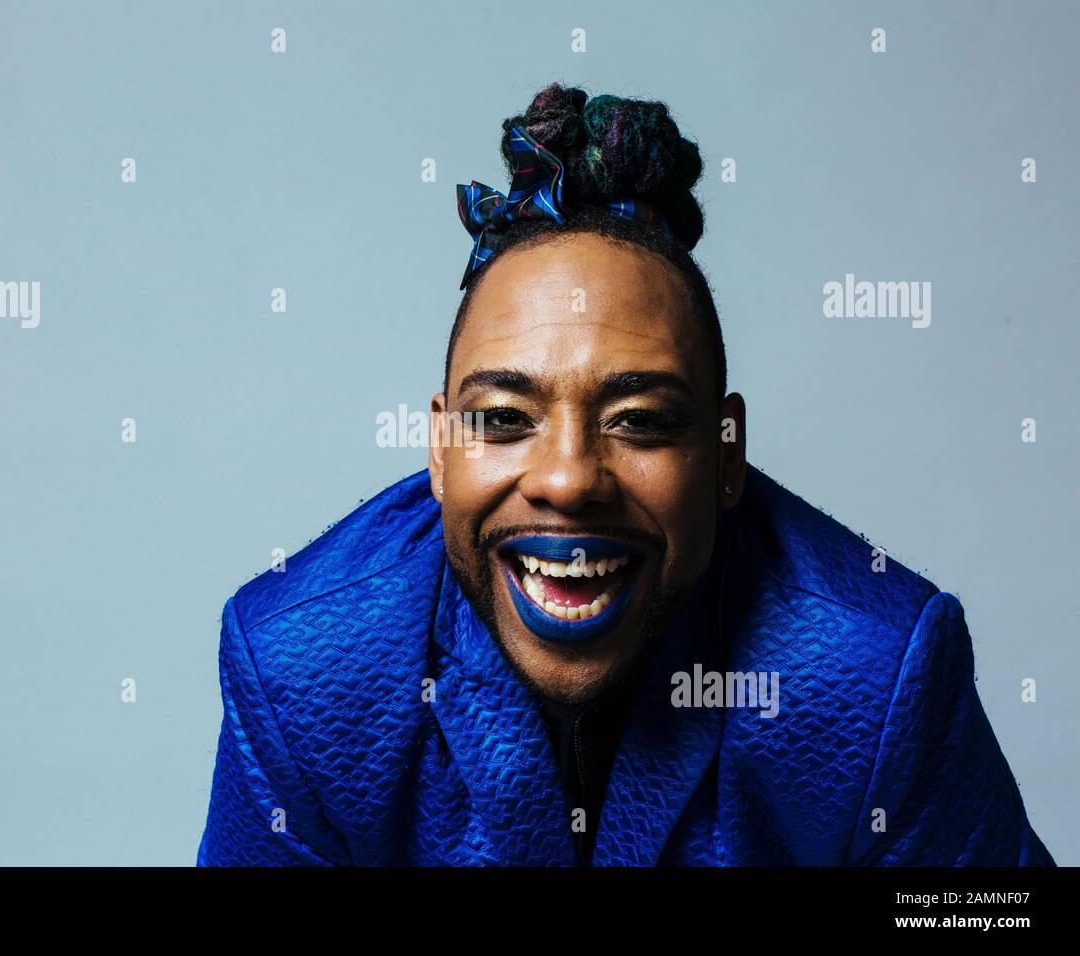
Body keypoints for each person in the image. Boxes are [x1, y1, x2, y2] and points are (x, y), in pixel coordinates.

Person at [196, 83, 1054, 866]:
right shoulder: (302, 671)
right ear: (440, 448)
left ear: (724, 455)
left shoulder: (873, 680)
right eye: (503, 420)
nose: (569, 480)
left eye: (639, 422)